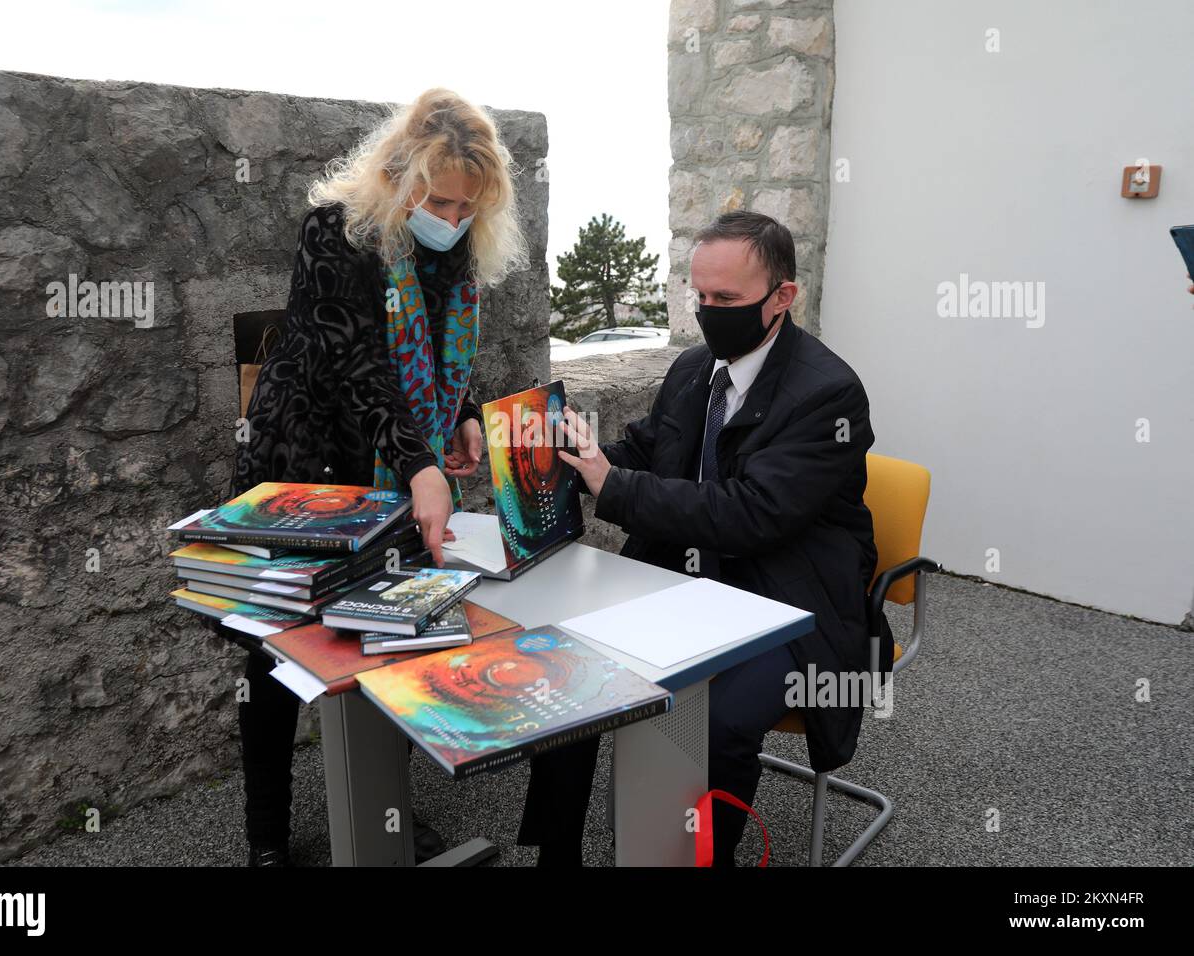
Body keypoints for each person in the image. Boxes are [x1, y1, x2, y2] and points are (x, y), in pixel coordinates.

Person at [217, 88, 528, 866]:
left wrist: (464, 411)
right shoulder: (336, 230)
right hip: (305, 461)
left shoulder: (452, 244)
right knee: (279, 648)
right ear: (398, 177)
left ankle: (384, 814)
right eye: (439, 200)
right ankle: (266, 840)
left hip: (394, 460)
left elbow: (433, 356)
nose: (452, 219)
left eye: (467, 207)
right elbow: (356, 361)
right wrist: (421, 461)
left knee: (390, 637)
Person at [518, 211, 881, 866]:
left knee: (714, 720)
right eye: (701, 298)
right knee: (569, 670)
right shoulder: (694, 368)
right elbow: (649, 452)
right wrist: (569, 459)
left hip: (787, 596)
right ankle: (557, 854)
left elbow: (753, 514)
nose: (711, 313)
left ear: (782, 299)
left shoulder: (828, 394)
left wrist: (612, 485)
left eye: (728, 300)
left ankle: (703, 857)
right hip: (686, 575)